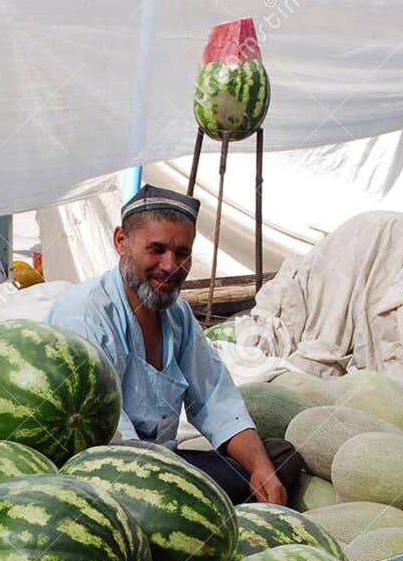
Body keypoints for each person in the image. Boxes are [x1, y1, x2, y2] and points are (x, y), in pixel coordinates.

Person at [46, 185, 300, 505]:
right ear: (121, 241)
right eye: (157, 249)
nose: (170, 266)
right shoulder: (86, 315)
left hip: (162, 465)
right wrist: (169, 486)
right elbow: (107, 438)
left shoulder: (175, 312)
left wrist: (261, 467)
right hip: (101, 475)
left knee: (278, 460)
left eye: (182, 253)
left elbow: (213, 397)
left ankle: (205, 513)